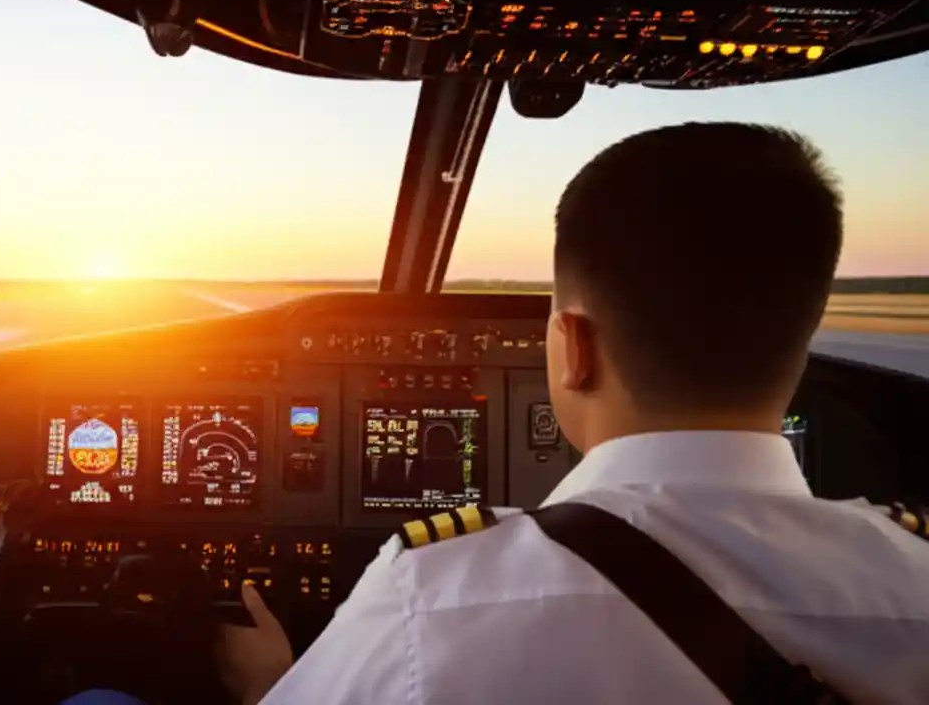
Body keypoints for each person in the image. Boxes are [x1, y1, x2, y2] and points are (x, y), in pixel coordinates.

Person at [216, 122, 929, 704]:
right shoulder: (916, 579)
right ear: (798, 346)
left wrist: (268, 686)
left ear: (573, 347)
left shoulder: (431, 593)